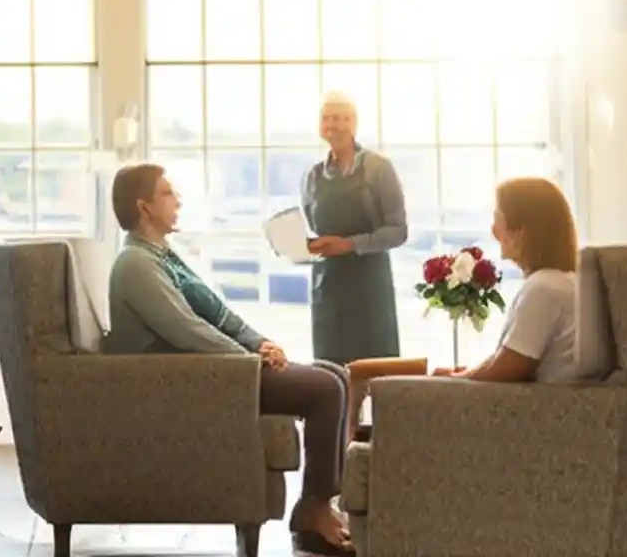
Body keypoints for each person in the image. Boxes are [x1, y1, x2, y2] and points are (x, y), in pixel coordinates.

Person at [104, 163, 353, 555]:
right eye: (168, 193)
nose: (178, 200)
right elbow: (187, 331)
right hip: (196, 380)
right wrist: (248, 362)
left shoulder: (163, 254)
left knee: (334, 374)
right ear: (144, 206)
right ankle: (313, 512)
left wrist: (261, 343)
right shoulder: (135, 264)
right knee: (325, 390)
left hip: (222, 368)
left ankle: (320, 504)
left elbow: (220, 315)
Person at [343, 176, 584, 441]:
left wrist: (460, 379)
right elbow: (510, 361)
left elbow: (509, 368)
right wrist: (460, 374)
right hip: (532, 407)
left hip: (520, 418)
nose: (493, 230)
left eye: (498, 218)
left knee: (366, 382)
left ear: (521, 230)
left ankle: (349, 471)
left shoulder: (544, 289)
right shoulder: (563, 283)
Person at [302, 92, 408, 369]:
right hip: (327, 288)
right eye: (328, 118)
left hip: (369, 287)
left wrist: (349, 244)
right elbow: (314, 227)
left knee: (376, 370)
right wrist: (307, 246)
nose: (334, 125)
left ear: (355, 124)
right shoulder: (311, 177)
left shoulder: (379, 169)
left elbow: (398, 231)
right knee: (330, 371)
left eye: (342, 118)